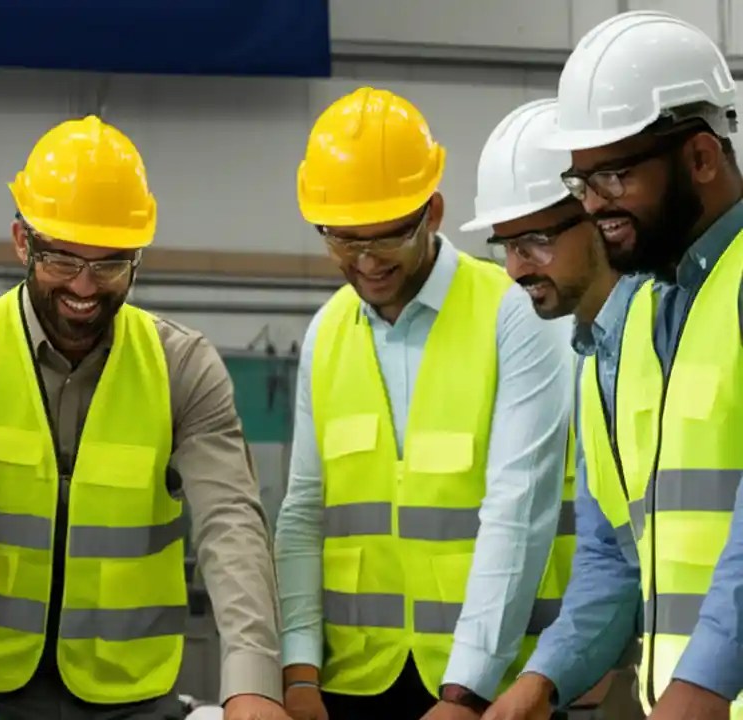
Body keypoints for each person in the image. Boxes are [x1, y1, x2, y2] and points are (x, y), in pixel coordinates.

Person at [0, 114, 286, 720]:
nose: (83, 285)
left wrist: (253, 683)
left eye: (108, 264)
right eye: (61, 258)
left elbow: (232, 527)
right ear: (22, 242)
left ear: (138, 257)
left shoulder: (183, 365)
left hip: (133, 694)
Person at [273, 86, 577, 720]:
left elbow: (518, 505)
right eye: (343, 241)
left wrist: (467, 689)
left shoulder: (512, 313)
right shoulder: (327, 333)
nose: (365, 261)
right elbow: (304, 513)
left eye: (385, 237)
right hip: (354, 685)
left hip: (490, 688)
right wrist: (299, 671)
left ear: (433, 211)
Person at [532, 9, 743, 718]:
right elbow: (620, 555)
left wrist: (704, 685)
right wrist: (542, 683)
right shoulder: (644, 314)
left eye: (615, 176)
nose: (593, 206)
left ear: (702, 159)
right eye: (581, 181)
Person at [461, 98, 647, 720]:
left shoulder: (666, 335)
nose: (515, 268)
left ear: (599, 216)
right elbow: (611, 559)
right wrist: (541, 680)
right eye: (505, 245)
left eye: (536, 241)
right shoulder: (595, 358)